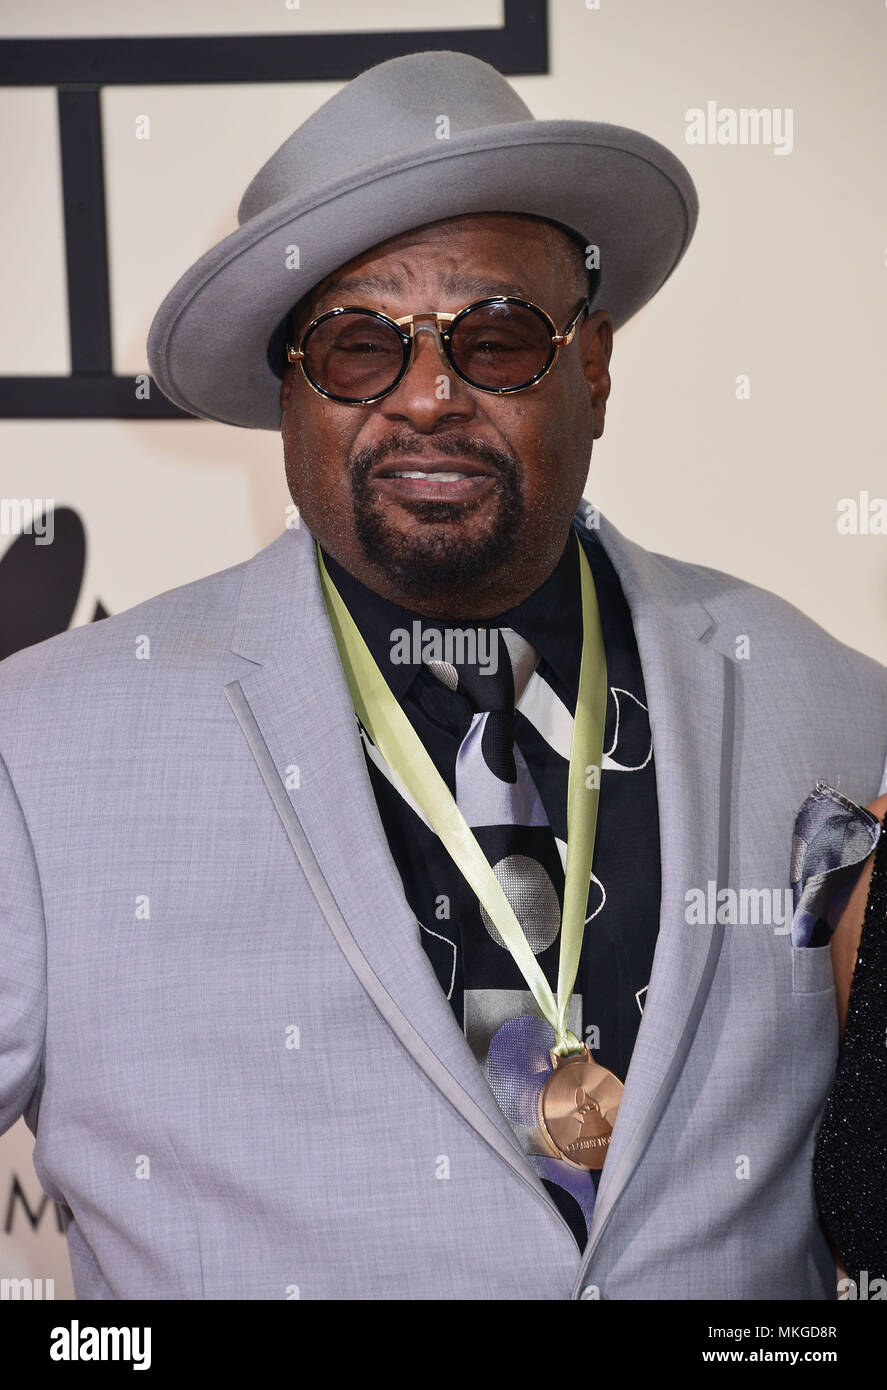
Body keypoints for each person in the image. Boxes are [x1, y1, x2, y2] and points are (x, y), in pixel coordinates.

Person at [1, 49, 885, 1301]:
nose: (426, 396)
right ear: (288, 390)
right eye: (359, 346)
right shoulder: (39, 754)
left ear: (593, 364)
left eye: (498, 337)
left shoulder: (835, 706)